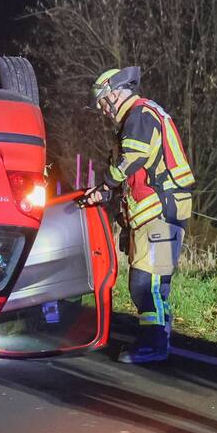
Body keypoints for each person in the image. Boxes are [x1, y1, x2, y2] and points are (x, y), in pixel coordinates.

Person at [86, 66, 195, 364]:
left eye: (104, 102)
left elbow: (133, 159)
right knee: (157, 282)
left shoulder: (139, 115)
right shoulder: (142, 116)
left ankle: (153, 345)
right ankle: (159, 340)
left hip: (159, 210)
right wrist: (108, 192)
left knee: (145, 282)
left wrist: (106, 183)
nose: (104, 110)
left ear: (117, 92)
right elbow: (135, 173)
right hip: (162, 209)